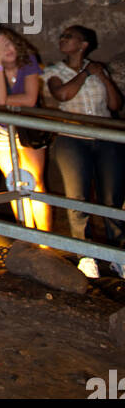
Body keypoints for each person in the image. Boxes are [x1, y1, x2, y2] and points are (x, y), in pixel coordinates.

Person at [43, 25, 125, 278]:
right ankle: (85, 254)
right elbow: (63, 94)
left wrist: (103, 77)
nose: (63, 39)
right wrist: (85, 73)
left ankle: (118, 254)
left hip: (104, 137)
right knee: (76, 199)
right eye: (62, 36)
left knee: (112, 198)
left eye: (69, 37)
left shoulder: (99, 69)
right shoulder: (54, 71)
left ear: (84, 44)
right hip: (72, 139)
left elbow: (115, 104)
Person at [0, 27, 51, 233]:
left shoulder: (28, 62)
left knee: (35, 182)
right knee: (14, 182)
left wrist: (3, 103)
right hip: (0, 129)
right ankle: (26, 234)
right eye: (0, 47)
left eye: (9, 43)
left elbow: (29, 99)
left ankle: (45, 239)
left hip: (27, 128)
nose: (7, 49)